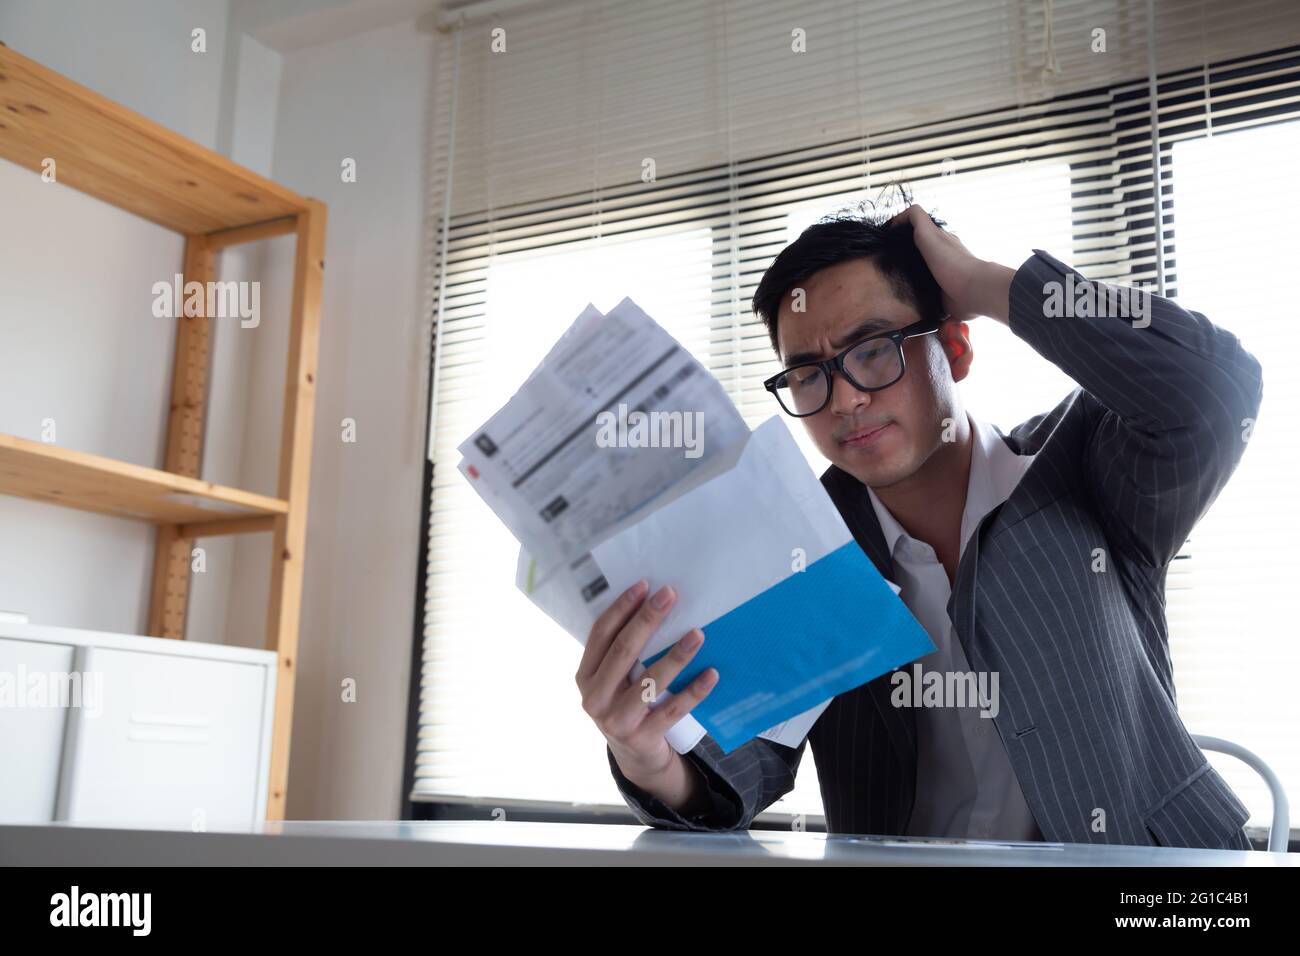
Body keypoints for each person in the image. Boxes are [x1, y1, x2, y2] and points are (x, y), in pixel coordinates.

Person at [574, 198, 1262, 849]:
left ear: (955, 349)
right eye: (808, 374)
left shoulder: (1084, 467)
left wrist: (989, 286)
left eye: (872, 349)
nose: (843, 399)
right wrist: (648, 754)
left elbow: (1213, 392)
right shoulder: (797, 547)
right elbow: (743, 765)